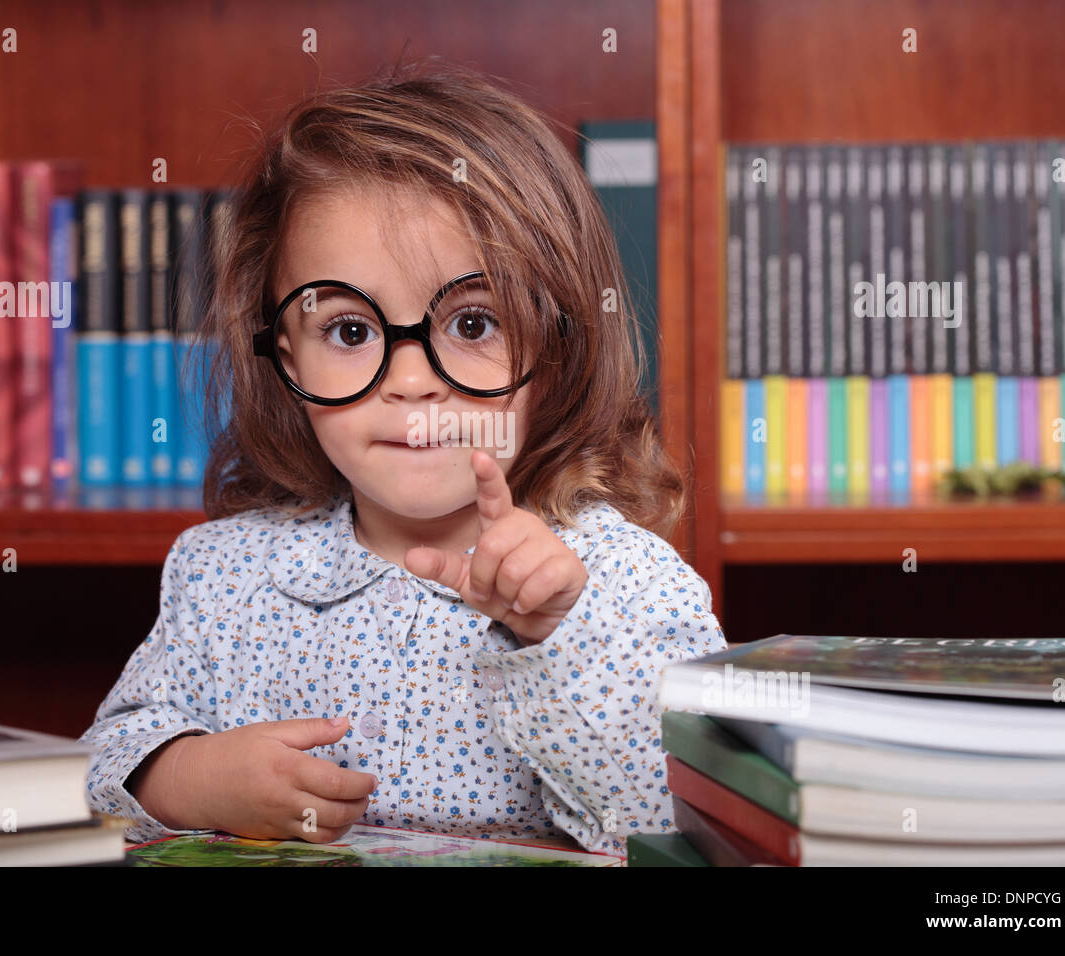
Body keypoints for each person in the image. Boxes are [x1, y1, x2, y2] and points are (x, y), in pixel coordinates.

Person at [79, 60, 726, 858]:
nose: (412, 382)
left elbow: (676, 826)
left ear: (556, 346)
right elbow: (95, 772)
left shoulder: (628, 583)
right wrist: (188, 778)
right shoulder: (221, 576)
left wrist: (557, 637)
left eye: (473, 324)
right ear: (288, 357)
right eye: (350, 332)